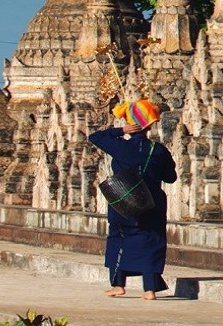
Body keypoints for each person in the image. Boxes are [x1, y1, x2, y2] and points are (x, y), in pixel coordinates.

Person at [88, 99, 177, 301]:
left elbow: (95, 136)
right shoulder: (158, 150)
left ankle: (118, 285)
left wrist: (120, 131)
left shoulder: (120, 147)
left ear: (131, 125)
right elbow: (170, 177)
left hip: (123, 202)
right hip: (152, 203)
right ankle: (150, 290)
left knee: (119, 241)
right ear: (149, 125)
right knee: (151, 242)